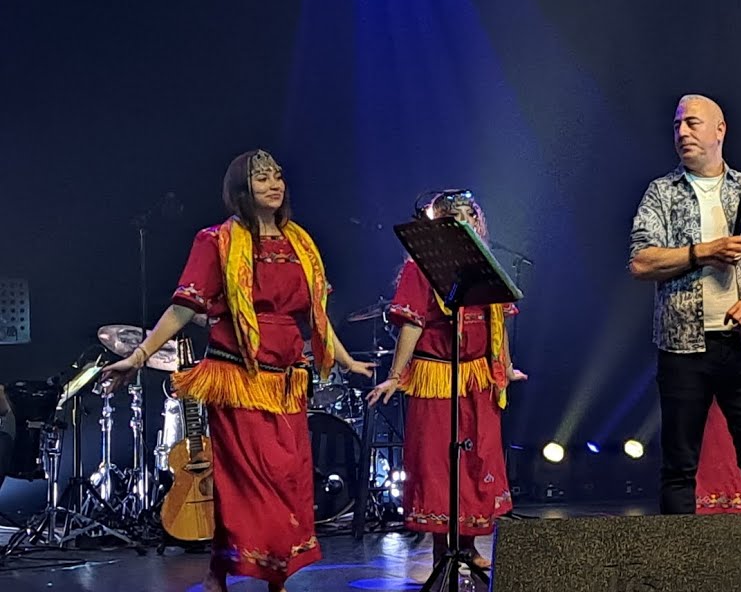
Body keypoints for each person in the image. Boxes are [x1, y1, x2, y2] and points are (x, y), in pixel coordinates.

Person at [101, 150, 375, 592]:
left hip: (287, 379)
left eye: (278, 177)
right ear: (241, 191)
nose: (274, 185)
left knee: (286, 476)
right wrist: (139, 354)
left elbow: (317, 317)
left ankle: (249, 572)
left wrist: (344, 359)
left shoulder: (300, 243)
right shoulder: (216, 241)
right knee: (250, 479)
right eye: (262, 179)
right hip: (238, 375)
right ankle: (240, 571)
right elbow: (184, 307)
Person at [628, 94, 741, 590]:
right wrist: (702, 252)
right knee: (679, 465)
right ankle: (680, 572)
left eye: (693, 123)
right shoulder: (661, 193)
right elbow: (640, 262)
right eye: (677, 124)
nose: (682, 132)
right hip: (683, 347)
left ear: (719, 130)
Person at [366, 190, 526, 573]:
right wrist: (395, 376)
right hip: (437, 378)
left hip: (478, 379)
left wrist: (505, 366)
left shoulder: (484, 266)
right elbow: (412, 324)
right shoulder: (419, 268)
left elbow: (497, 321)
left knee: (476, 461)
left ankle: (468, 547)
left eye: (471, 215)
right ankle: (444, 551)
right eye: (457, 217)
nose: (467, 222)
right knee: (440, 465)